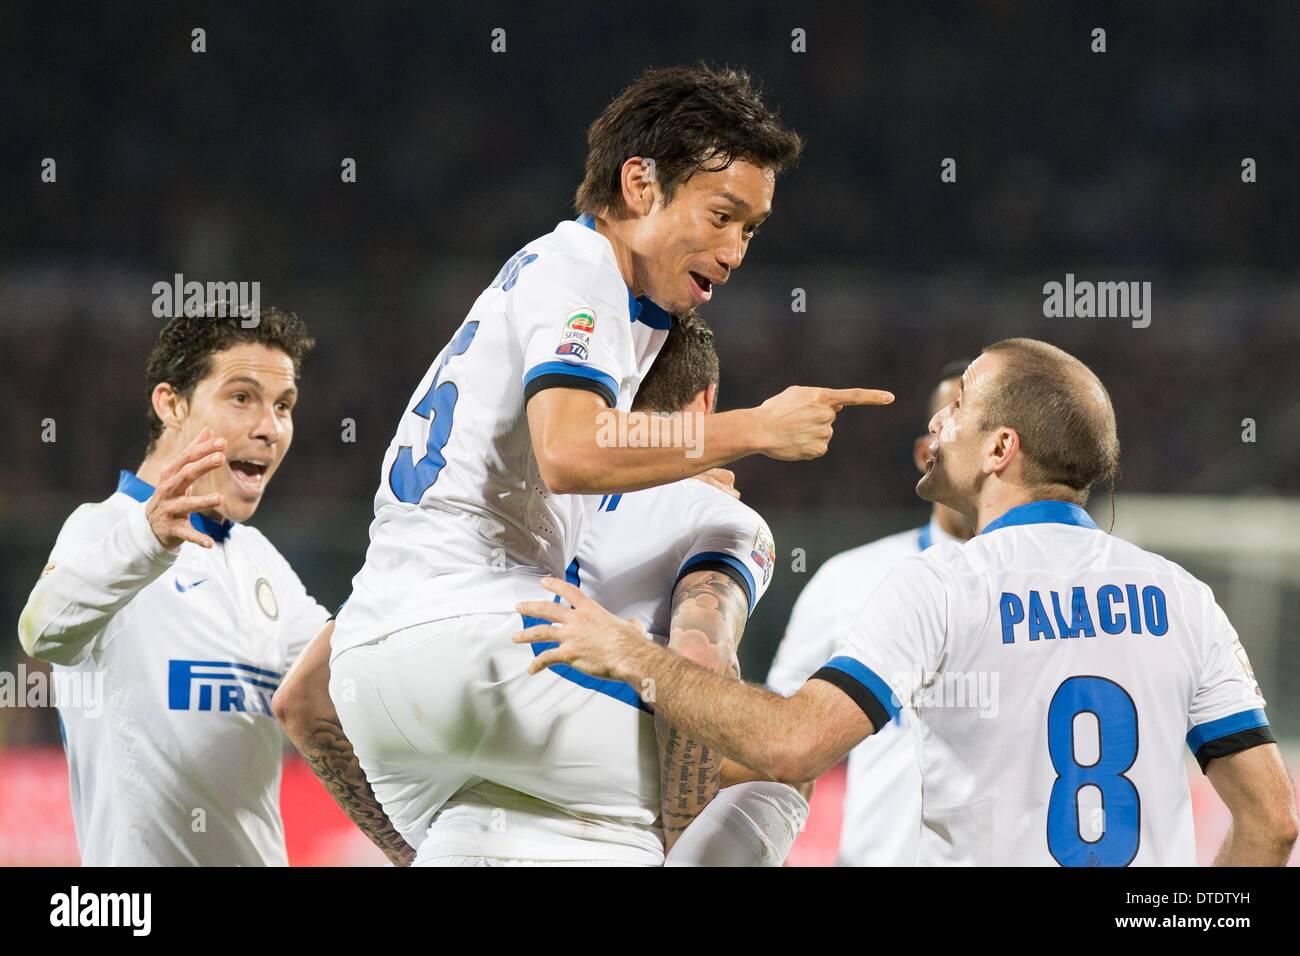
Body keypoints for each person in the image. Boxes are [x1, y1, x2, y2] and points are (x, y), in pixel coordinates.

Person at [328, 65, 891, 865]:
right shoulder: (579, 267)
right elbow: (570, 450)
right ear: (640, 184)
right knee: (765, 760)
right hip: (474, 645)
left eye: (752, 230)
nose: (734, 253)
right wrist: (755, 428)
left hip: (375, 675)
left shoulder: (591, 300)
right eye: (722, 215)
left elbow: (302, 691)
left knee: (514, 823)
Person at [516, 338, 1300, 866]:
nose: (935, 424)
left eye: (960, 409)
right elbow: (1272, 822)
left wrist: (632, 655)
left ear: (1002, 450)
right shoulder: (1181, 596)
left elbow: (791, 746)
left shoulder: (942, 584)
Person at [282, 313, 806, 865]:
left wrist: (409, 853)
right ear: (706, 402)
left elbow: (301, 700)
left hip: (445, 778)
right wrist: (681, 842)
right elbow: (700, 658)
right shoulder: (712, 512)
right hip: (597, 792)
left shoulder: (510, 494)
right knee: (787, 759)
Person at [18, 306, 331, 866]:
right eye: (242, 397)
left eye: (283, 406)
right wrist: (148, 538)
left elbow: (340, 677)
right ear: (172, 404)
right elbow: (42, 630)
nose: (270, 426)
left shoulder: (260, 561)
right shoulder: (103, 527)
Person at [767, 359, 973, 866]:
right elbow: (777, 739)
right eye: (958, 422)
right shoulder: (851, 578)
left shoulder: (1049, 589)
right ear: (928, 454)